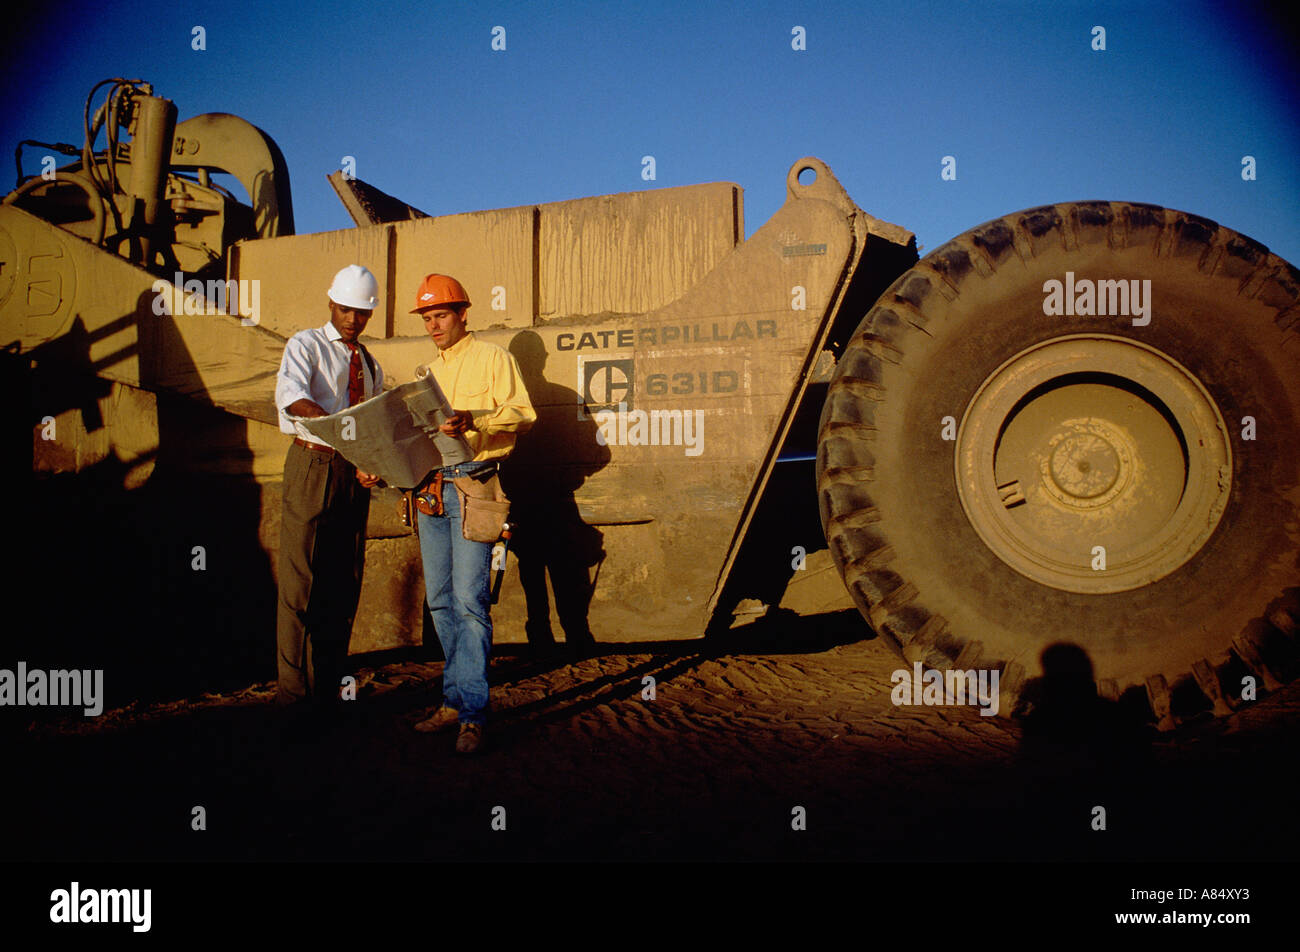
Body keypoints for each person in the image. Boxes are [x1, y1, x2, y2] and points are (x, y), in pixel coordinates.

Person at [409, 273, 535, 753]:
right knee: (440, 601)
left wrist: (476, 420)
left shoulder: (493, 359)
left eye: (440, 316)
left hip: (476, 481)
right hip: (431, 487)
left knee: (469, 601)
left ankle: (474, 715)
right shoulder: (426, 374)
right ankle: (453, 700)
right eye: (427, 318)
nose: (433, 325)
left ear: (463, 314)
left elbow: (524, 413)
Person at [274, 264, 384, 713]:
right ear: (330, 303)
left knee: (343, 584)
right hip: (312, 463)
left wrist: (371, 463)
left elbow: (374, 422)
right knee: (300, 585)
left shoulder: (371, 364)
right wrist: (336, 427)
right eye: (345, 309)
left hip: (351, 476)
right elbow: (292, 397)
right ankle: (293, 700)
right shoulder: (305, 345)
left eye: (361, 313)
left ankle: (330, 693)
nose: (352, 320)